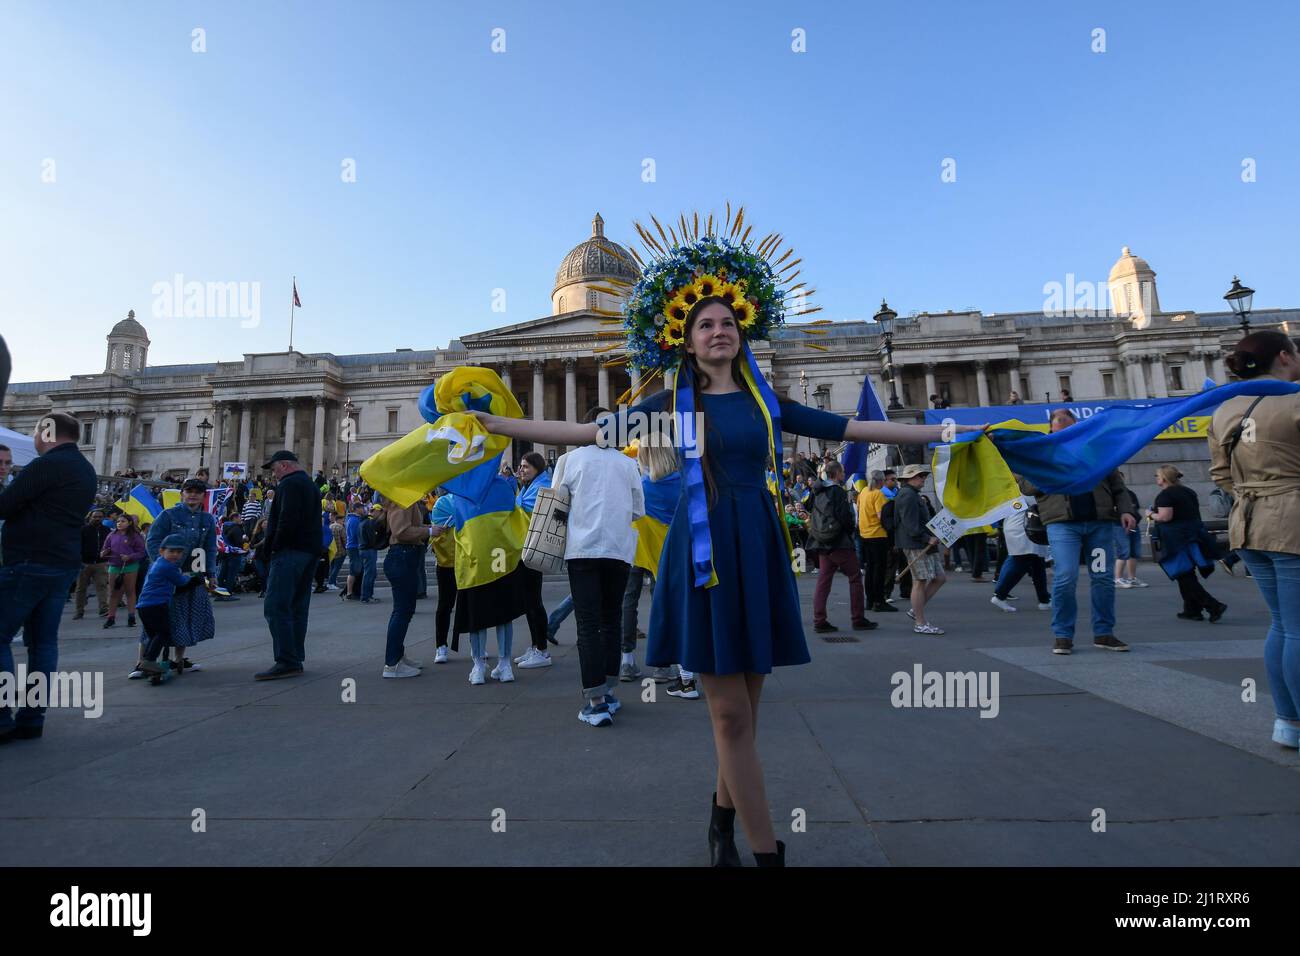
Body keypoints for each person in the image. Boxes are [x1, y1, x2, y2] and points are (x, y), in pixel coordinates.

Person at [472, 240, 978, 866]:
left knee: (743, 718)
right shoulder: (672, 411)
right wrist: (497, 428)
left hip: (758, 547)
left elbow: (850, 427)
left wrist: (944, 432)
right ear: (685, 340)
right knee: (731, 720)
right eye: (704, 324)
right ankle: (768, 854)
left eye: (727, 323)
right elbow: (582, 433)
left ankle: (720, 827)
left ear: (741, 333)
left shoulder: (768, 406)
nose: (718, 332)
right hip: (703, 551)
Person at [1208, 330, 1300, 751]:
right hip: (1293, 519)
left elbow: (1220, 475)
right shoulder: (1294, 400)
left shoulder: (1224, 411)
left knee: (1281, 625)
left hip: (1247, 523)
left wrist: (1251, 492)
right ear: (1283, 357)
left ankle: (1287, 722)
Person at [0, 412, 98, 743]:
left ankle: (1, 716)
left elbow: (5, 505)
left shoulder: (46, 465)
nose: (34, 439)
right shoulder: (86, 470)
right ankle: (32, 718)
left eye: (36, 432)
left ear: (49, 432)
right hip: (62, 564)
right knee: (43, 644)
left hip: (29, 561)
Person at [550, 407, 645, 724]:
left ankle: (596, 701)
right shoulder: (628, 463)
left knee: (588, 624)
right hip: (618, 551)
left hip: (582, 550)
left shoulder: (569, 461)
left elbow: (556, 507)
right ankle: (609, 692)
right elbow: (637, 511)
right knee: (611, 621)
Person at [1019, 408, 1138, 655]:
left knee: (1103, 578)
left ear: (1078, 426)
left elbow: (1118, 485)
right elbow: (1027, 486)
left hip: (1099, 523)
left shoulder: (1096, 450)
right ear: (1050, 430)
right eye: (1059, 427)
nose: (1064, 431)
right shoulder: (1041, 453)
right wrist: (1050, 469)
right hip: (1063, 524)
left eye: (1069, 426)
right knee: (1065, 577)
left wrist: (1126, 510)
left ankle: (1104, 633)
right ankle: (1062, 634)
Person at [256, 450, 324, 680]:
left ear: (284, 466)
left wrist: (273, 545)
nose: (274, 475)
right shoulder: (310, 485)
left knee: (276, 606)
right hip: (309, 552)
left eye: (274, 469)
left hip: (290, 552)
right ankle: (295, 657)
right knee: (297, 607)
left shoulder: (289, 485)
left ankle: (286, 659)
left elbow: (287, 519)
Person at [1148, 465, 1227, 622]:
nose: (1156, 478)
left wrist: (1150, 514)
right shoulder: (1188, 491)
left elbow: (1165, 517)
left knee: (1183, 574)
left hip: (1176, 539)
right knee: (1186, 573)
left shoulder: (1166, 495)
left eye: (1156, 475)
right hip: (1193, 535)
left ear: (1163, 478)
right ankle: (1192, 609)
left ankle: (1212, 605)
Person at [810, 461, 875, 632]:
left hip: (822, 541)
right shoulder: (837, 491)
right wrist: (850, 530)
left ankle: (819, 619)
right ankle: (858, 618)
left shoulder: (818, 491)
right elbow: (844, 516)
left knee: (823, 581)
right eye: (842, 472)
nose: (844, 474)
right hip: (839, 543)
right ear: (836, 473)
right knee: (855, 577)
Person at [135, 534, 208, 679]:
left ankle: (146, 662)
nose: (175, 555)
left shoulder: (158, 563)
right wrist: (195, 579)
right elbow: (181, 582)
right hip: (156, 605)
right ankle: (149, 661)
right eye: (171, 551)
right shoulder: (166, 566)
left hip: (145, 605)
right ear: (161, 551)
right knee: (163, 633)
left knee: (153, 635)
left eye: (179, 552)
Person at [512, 452, 555, 669]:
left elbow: (523, 513)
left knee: (534, 601)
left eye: (526, 467)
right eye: (520, 466)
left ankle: (542, 650)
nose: (521, 470)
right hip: (525, 547)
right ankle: (535, 645)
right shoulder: (530, 486)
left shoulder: (541, 488)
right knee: (529, 601)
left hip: (533, 548)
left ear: (537, 467)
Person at [380, 495, 431, 678]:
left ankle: (398, 656)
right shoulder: (402, 499)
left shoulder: (406, 498)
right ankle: (392, 663)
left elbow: (409, 527)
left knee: (405, 610)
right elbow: (401, 531)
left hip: (404, 556)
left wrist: (431, 528)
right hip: (402, 555)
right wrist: (429, 532)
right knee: (402, 611)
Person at [894, 464, 946, 634]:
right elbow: (910, 526)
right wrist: (926, 538)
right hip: (915, 543)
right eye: (919, 476)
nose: (923, 478)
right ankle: (920, 622)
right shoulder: (907, 495)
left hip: (922, 542)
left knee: (939, 577)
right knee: (919, 581)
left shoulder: (912, 494)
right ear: (909, 478)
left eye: (923, 475)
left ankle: (916, 610)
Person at [990, 504, 1052, 612]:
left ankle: (1044, 600)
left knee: (1037, 562)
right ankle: (1000, 595)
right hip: (1024, 527)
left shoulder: (1013, 488)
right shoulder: (1025, 488)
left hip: (1023, 525)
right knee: (1021, 561)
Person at [100, 513, 147, 629]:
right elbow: (104, 549)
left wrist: (130, 556)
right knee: (114, 592)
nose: (119, 523)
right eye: (118, 522)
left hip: (130, 566)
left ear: (129, 523)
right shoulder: (111, 535)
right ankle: (111, 618)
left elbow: (142, 552)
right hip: (114, 566)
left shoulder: (135, 536)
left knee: (130, 592)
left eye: (122, 521)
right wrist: (104, 553)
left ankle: (131, 617)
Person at [857, 471, 895, 614]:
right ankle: (879, 601)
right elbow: (882, 516)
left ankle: (870, 600)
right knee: (879, 570)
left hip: (864, 534)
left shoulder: (863, 491)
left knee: (870, 569)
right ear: (881, 481)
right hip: (878, 535)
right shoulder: (878, 494)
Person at [429, 490, 457, 664]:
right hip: (447, 563)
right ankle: (441, 645)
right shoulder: (441, 503)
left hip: (466, 561)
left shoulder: (468, 500)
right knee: (445, 605)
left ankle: (476, 645)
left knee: (468, 604)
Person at [1112, 471, 1149, 589]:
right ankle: (1118, 578)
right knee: (1123, 551)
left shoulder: (1130, 494)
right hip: (1119, 525)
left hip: (1133, 525)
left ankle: (1132, 578)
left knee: (1134, 552)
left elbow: (1135, 508)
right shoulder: (1111, 495)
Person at [74, 508, 112, 619]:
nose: (97, 519)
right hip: (84, 563)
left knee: (102, 586)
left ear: (103, 518)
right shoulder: (83, 530)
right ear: (90, 517)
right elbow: (77, 545)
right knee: (81, 588)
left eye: (100, 517)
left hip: (101, 563)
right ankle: (79, 611)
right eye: (95, 516)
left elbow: (110, 545)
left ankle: (103, 609)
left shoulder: (106, 530)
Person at [358, 503, 383, 604]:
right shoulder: (369, 522)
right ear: (374, 512)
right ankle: (366, 596)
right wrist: (377, 545)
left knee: (369, 573)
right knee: (370, 574)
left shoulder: (362, 522)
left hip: (363, 549)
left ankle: (367, 595)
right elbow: (372, 538)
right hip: (369, 550)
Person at [341, 501, 365, 601]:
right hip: (354, 547)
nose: (364, 510)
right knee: (354, 570)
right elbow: (356, 534)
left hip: (353, 546)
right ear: (357, 509)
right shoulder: (355, 520)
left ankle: (351, 591)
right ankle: (349, 592)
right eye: (362, 508)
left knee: (356, 569)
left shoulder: (352, 519)